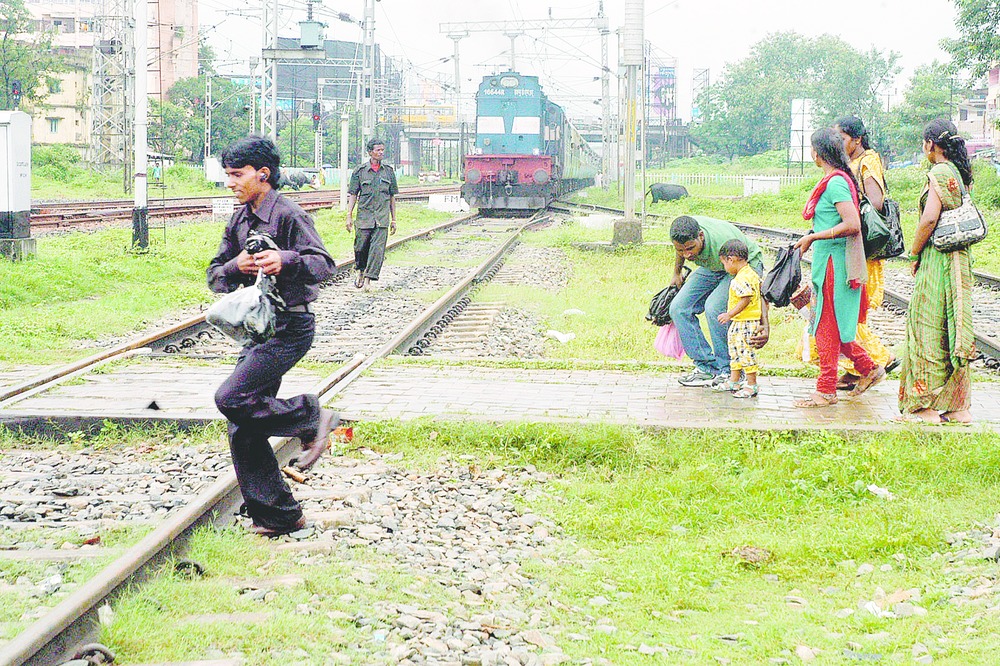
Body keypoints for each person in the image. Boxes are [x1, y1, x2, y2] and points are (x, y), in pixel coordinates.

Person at [207, 135, 339, 537]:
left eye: (237, 175)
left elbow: (325, 264)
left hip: (291, 328)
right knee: (242, 426)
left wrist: (285, 259)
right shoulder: (240, 219)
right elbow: (214, 275)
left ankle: (310, 415)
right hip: (258, 332)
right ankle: (281, 516)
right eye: (227, 174)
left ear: (262, 175)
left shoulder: (289, 214)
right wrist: (236, 266)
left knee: (230, 398)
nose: (230, 182)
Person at [792, 128, 884, 408]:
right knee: (827, 325)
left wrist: (813, 236)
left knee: (826, 326)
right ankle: (868, 368)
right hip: (828, 261)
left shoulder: (835, 184)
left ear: (817, 154)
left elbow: (852, 224)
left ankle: (826, 389)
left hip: (836, 263)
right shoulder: (835, 180)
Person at [898, 119, 975, 424]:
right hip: (959, 262)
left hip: (937, 260)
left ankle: (923, 406)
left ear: (930, 144)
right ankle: (958, 407)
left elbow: (930, 219)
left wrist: (914, 252)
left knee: (926, 327)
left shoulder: (939, 173)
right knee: (954, 328)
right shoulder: (960, 173)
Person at [668, 215, 767, 386]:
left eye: (690, 248)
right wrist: (676, 273)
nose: (687, 254)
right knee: (678, 307)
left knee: (715, 308)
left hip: (742, 265)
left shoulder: (721, 241)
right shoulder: (684, 236)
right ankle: (706, 367)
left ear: (700, 236)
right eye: (681, 250)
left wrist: (765, 321)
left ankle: (729, 370)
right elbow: (683, 249)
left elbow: (756, 290)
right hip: (715, 266)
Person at [346, 139, 398, 289]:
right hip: (364, 217)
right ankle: (361, 270)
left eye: (382, 150)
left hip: (382, 218)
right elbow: (353, 194)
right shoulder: (360, 172)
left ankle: (369, 279)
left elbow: (392, 196)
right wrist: (349, 215)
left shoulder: (388, 172)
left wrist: (394, 219)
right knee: (360, 247)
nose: (381, 152)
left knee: (377, 250)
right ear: (370, 152)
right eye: (378, 150)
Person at [714, 239, 761, 398]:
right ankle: (734, 380)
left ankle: (751, 384)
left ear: (731, 259)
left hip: (746, 321)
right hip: (740, 321)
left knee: (745, 351)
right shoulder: (749, 273)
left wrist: (730, 314)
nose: (725, 268)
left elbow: (745, 298)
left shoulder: (742, 278)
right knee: (735, 350)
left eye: (724, 263)